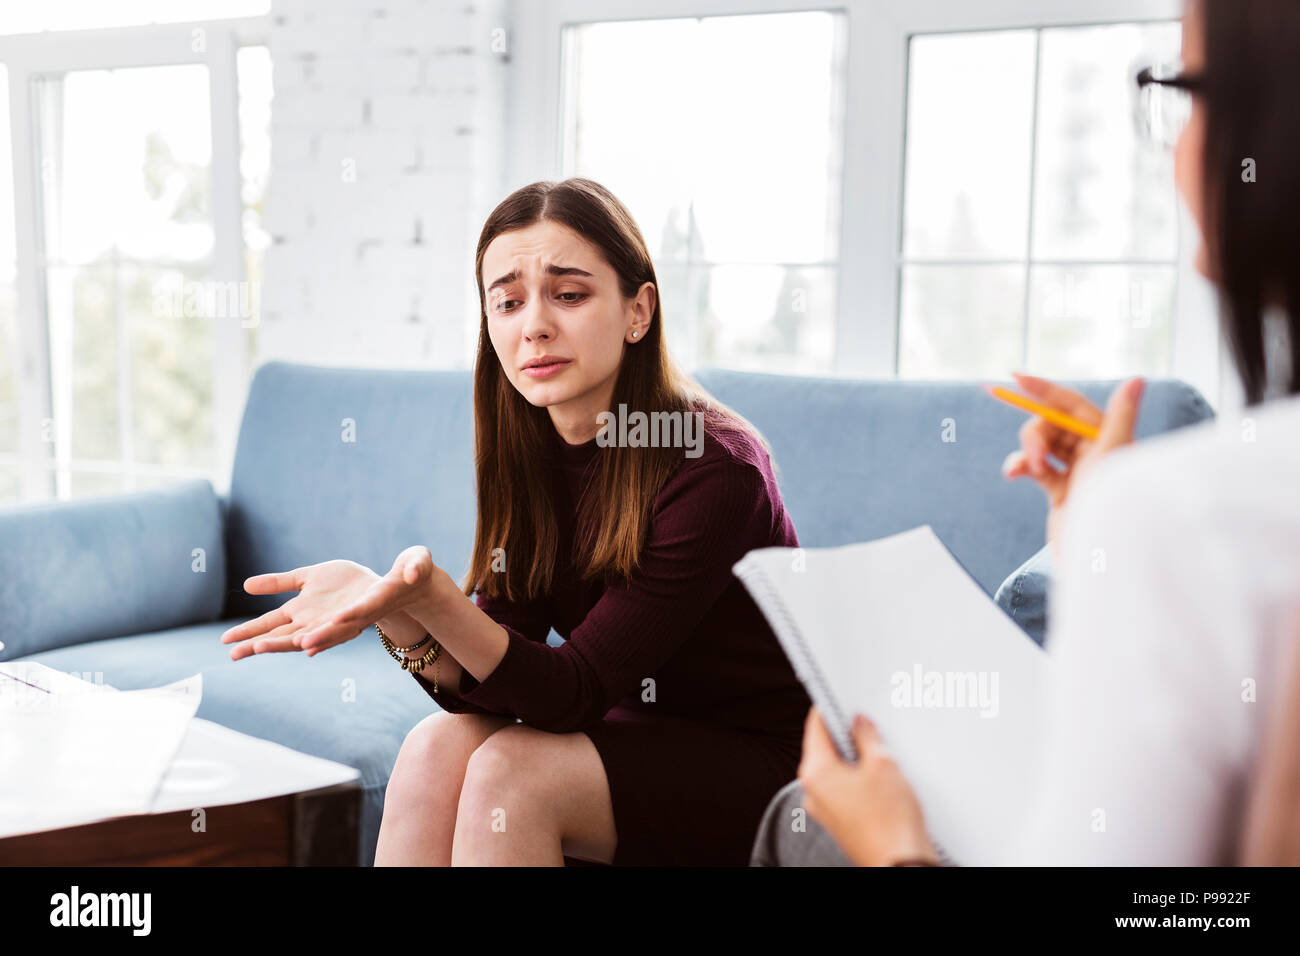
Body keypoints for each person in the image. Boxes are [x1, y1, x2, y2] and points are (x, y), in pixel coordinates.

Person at [789, 0, 1300, 866]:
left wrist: (894, 851)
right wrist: (1095, 530)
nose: (1177, 147)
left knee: (801, 828)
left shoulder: (1190, 518)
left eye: (1183, 88)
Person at [220, 178, 812, 866]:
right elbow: (493, 679)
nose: (533, 324)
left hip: (760, 761)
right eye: (506, 301)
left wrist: (435, 599)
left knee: (513, 776)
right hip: (622, 731)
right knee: (436, 748)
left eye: (569, 294)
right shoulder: (529, 448)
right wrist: (394, 611)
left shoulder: (715, 468)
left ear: (638, 310)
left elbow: (572, 692)